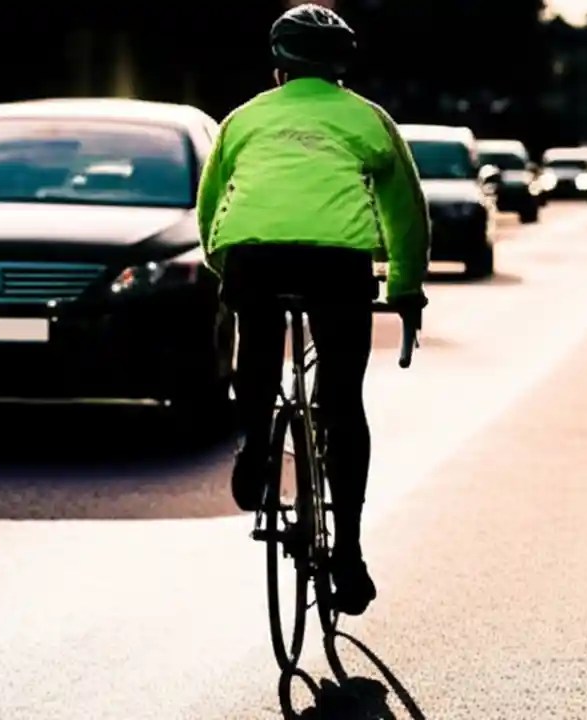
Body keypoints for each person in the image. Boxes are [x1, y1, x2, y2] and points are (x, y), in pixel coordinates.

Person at [197, 3, 430, 616]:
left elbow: (210, 203)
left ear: (277, 67)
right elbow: (406, 214)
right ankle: (347, 553)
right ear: (340, 68)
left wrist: (228, 270)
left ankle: (252, 444)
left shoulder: (242, 120)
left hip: (254, 257)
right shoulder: (369, 120)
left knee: (259, 341)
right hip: (336, 266)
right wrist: (405, 288)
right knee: (343, 399)